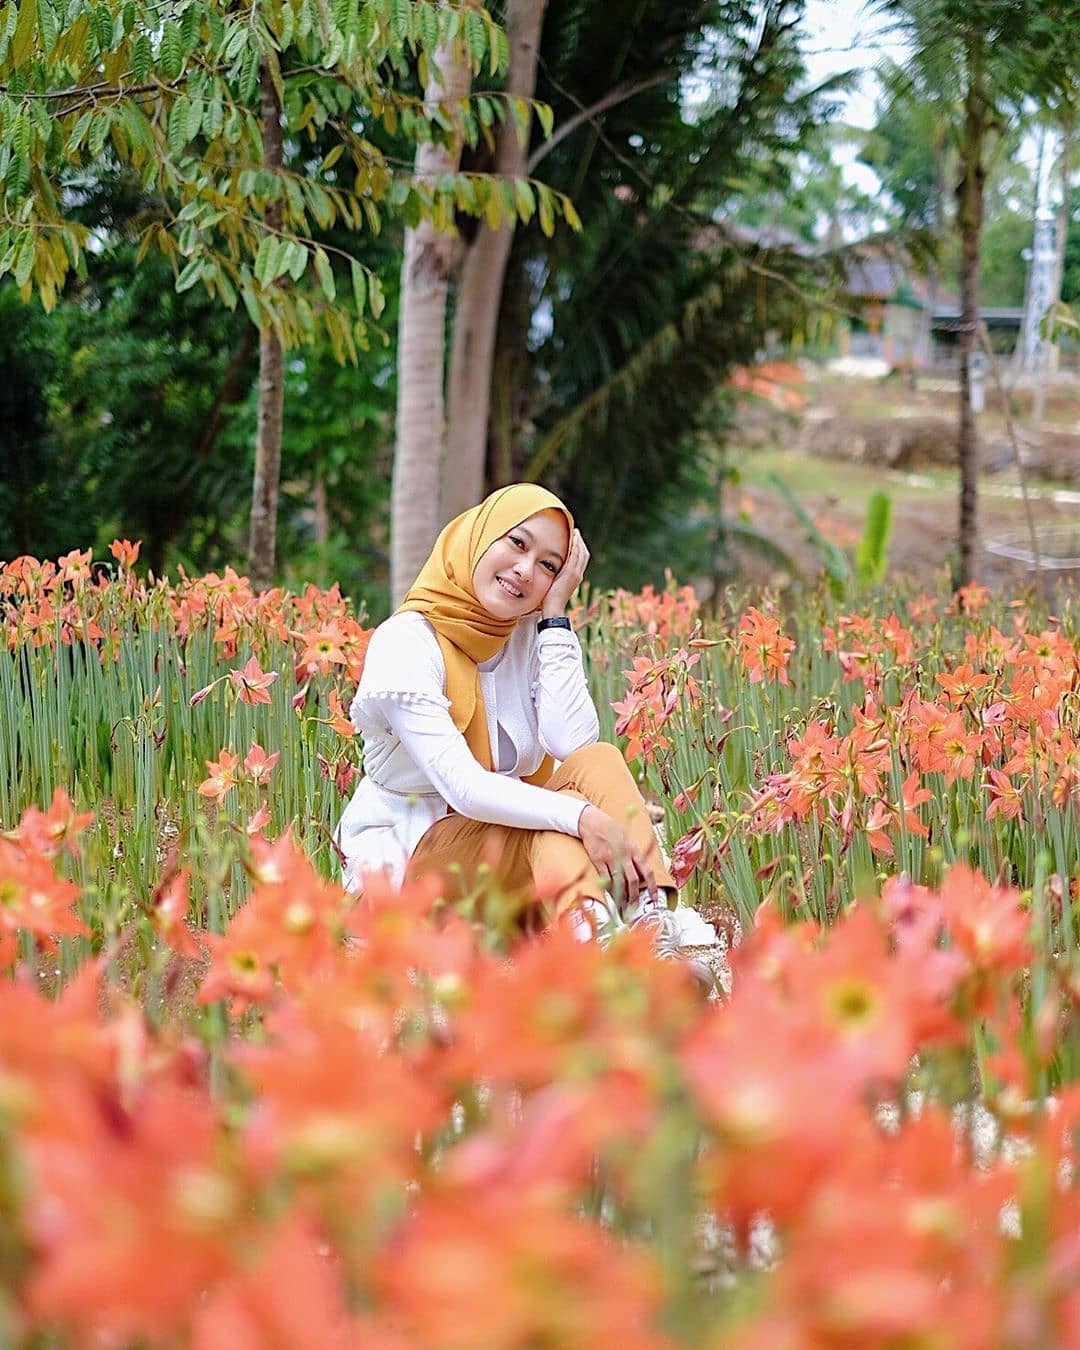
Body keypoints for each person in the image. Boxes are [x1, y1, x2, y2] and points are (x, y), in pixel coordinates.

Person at [335, 483, 716, 953]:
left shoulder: (526, 635)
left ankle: (649, 922)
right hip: (414, 867)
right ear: (479, 536)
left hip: (507, 865)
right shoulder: (407, 642)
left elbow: (573, 746)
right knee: (553, 820)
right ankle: (601, 948)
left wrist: (554, 618)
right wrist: (581, 817)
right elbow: (464, 788)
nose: (525, 570)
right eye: (517, 543)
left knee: (598, 761)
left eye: (548, 566)